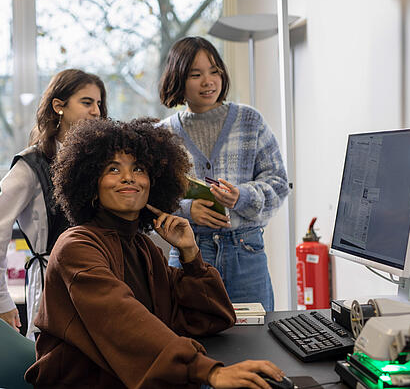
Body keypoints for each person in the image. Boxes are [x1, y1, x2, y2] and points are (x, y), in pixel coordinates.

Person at [26, 118, 286, 389]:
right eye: (113, 169)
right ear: (91, 185)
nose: (128, 177)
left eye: (138, 168)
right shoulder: (77, 246)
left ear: (153, 183)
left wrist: (190, 254)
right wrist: (209, 372)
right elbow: (119, 318)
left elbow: (209, 318)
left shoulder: (143, 247)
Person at [158, 36, 290, 312]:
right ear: (178, 79)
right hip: (188, 253)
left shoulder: (249, 120)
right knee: (189, 342)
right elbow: (151, 198)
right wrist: (187, 209)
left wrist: (240, 196)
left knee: (256, 340)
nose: (208, 81)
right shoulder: (164, 135)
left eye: (214, 71)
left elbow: (278, 183)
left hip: (246, 252)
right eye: (196, 74)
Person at [0, 69, 107, 338]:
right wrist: (0, 299)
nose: (96, 111)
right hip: (54, 289)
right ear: (58, 106)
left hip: (104, 285)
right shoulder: (32, 165)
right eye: (87, 102)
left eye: (99, 103)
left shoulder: (105, 162)